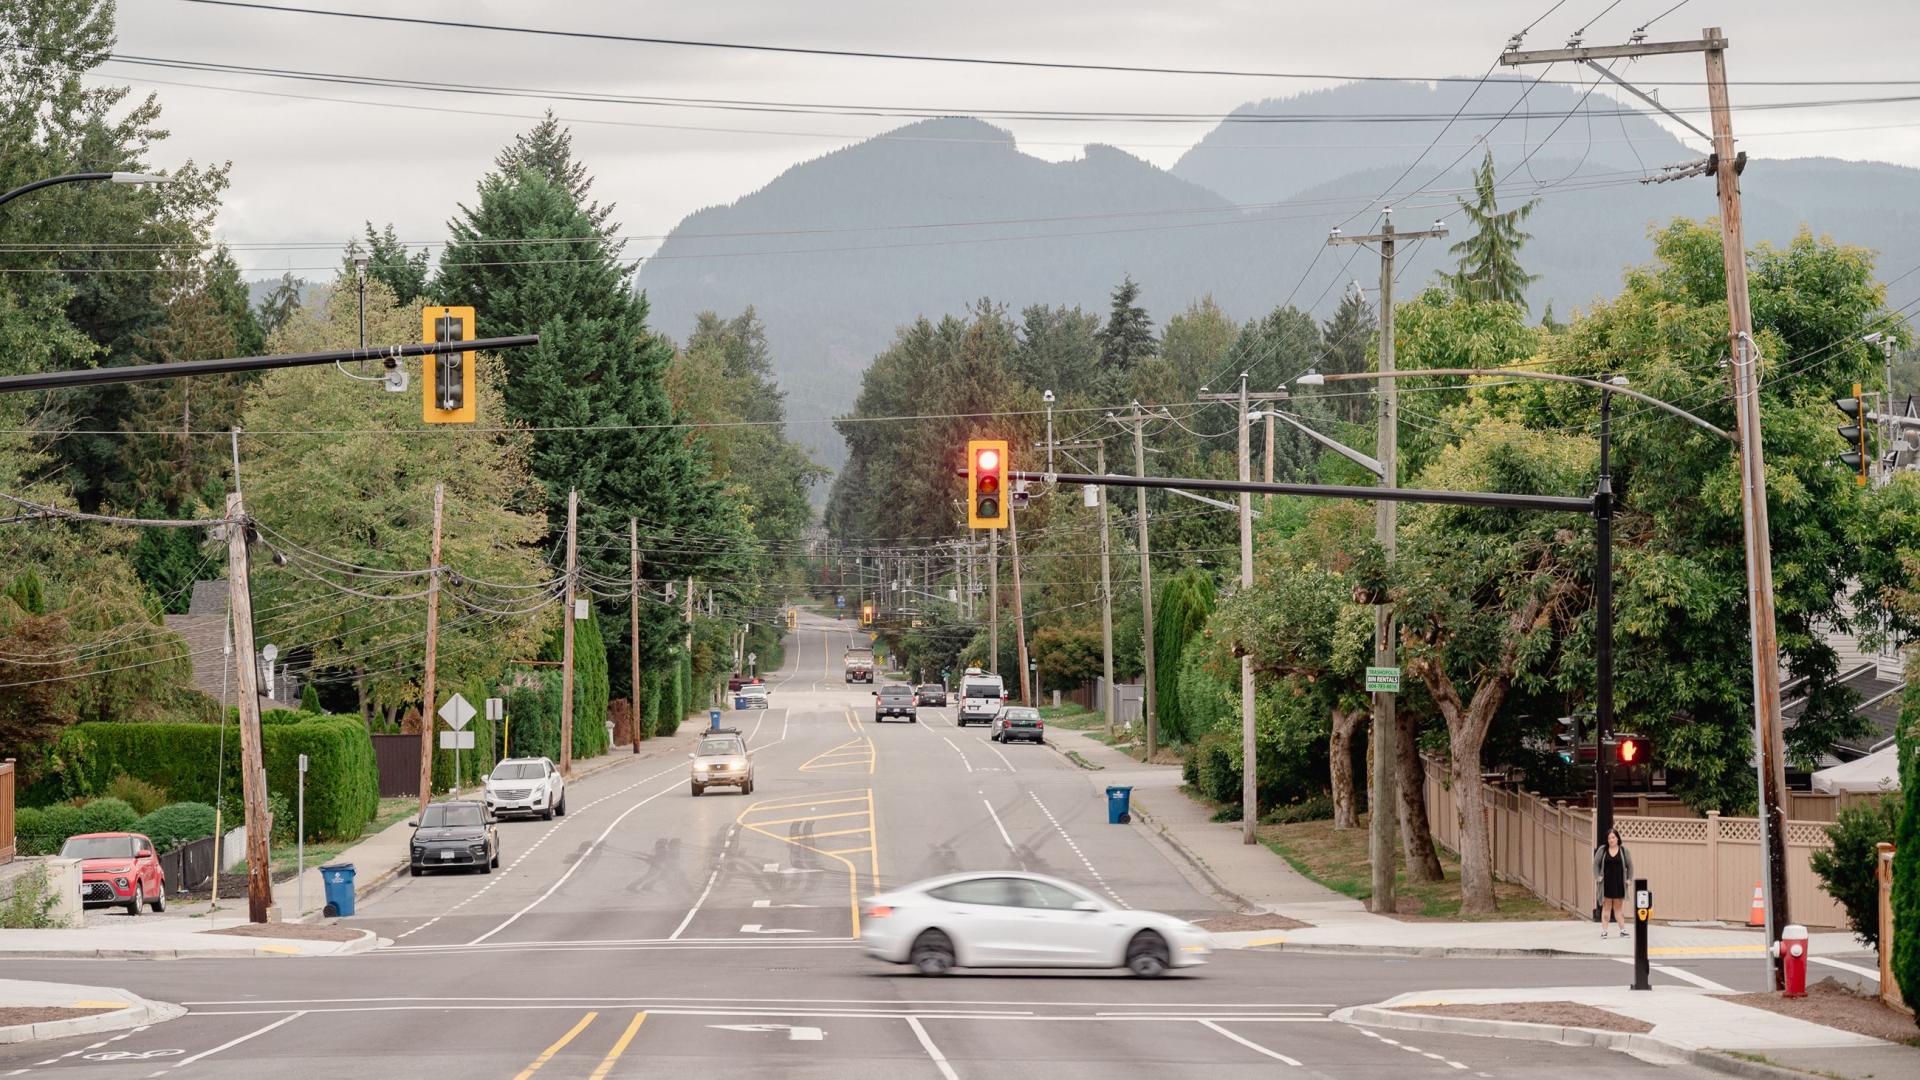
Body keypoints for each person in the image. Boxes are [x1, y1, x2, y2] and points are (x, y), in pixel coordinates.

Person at [1592, 827, 1634, 937]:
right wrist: (1597, 877)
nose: (1611, 840)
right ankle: (1604, 931)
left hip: (1619, 883)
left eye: (1613, 837)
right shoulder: (1602, 850)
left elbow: (1630, 866)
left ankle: (1623, 930)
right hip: (1606, 884)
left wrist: (1629, 879)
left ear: (1617, 838)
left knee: (1618, 909)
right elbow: (1596, 864)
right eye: (1609, 838)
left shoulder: (1624, 851)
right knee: (1606, 908)